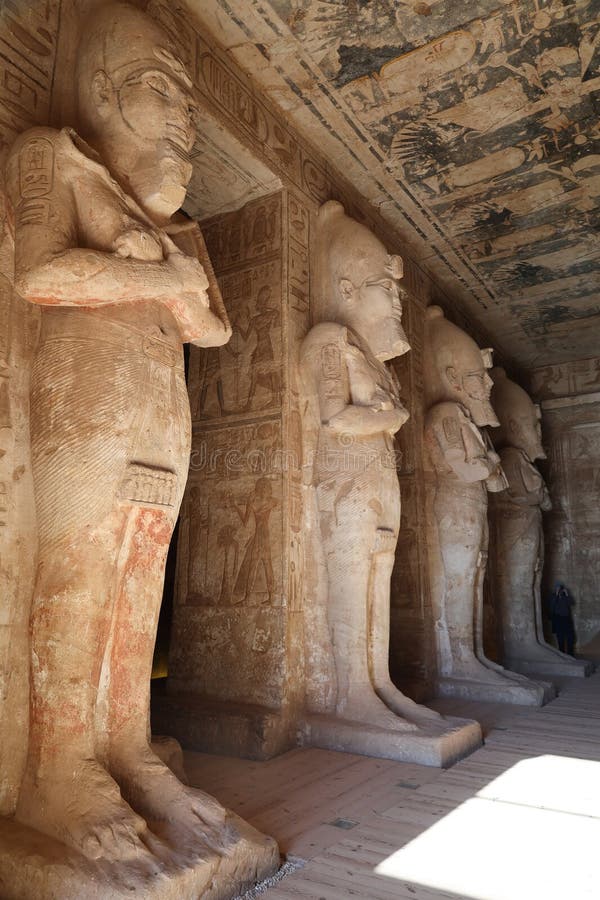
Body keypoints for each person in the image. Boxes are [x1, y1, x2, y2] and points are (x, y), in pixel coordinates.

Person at [550, 582, 576, 655]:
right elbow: (552, 606)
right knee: (560, 638)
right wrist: (556, 595)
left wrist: (567, 594)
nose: (559, 589)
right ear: (555, 589)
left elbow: (572, 603)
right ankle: (562, 654)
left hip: (567, 619)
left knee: (570, 637)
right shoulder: (552, 596)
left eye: (560, 588)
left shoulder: (565, 597)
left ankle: (570, 654)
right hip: (558, 619)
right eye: (558, 588)